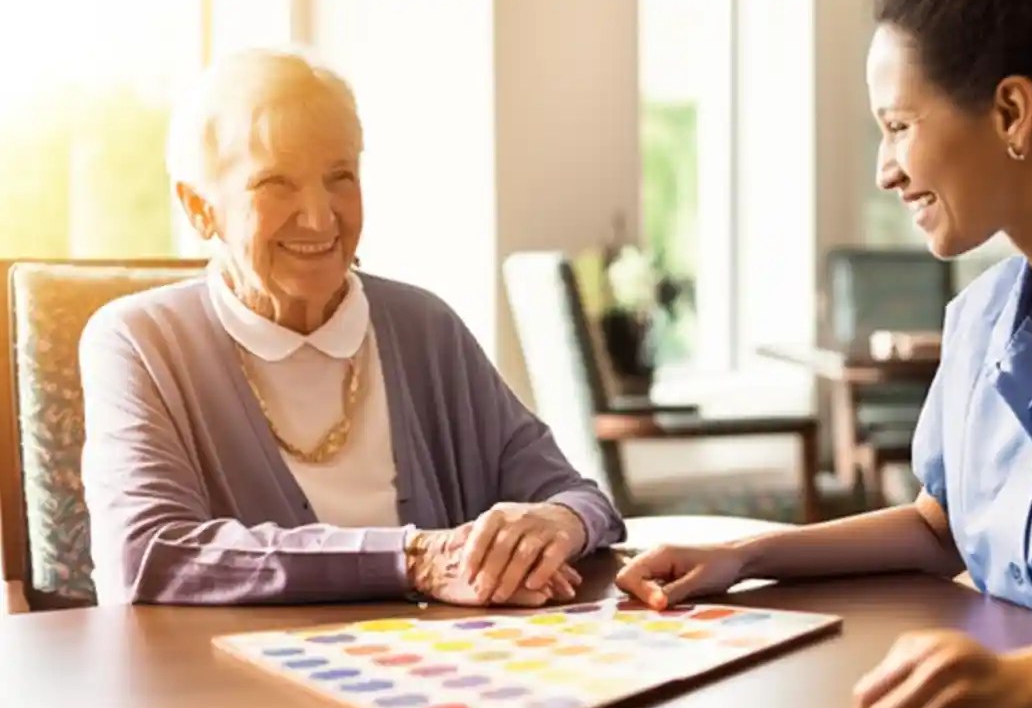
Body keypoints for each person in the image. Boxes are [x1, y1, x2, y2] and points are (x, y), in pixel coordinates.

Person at [616, 0, 1032, 708]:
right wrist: (748, 556)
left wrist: (1025, 682)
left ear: (1010, 113)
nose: (886, 171)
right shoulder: (982, 318)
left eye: (899, 126)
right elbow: (940, 527)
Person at [80, 48, 624, 608]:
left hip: (423, 676)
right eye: (275, 184)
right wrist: (411, 559)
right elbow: (147, 554)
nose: (318, 217)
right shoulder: (138, 344)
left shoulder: (426, 328)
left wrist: (555, 523)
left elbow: (580, 497)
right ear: (200, 208)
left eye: (340, 176)